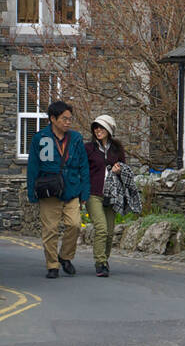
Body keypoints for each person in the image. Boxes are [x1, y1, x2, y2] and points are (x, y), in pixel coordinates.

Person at [26, 100, 89, 279]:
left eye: (70, 119)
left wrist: (85, 191)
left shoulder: (76, 138)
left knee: (74, 225)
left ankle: (65, 257)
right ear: (53, 119)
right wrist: (32, 192)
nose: (68, 122)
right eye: (64, 119)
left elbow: (84, 166)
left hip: (71, 189)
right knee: (50, 229)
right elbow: (32, 166)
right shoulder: (40, 138)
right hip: (49, 190)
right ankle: (52, 264)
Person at [85, 115, 125, 277]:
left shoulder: (117, 148)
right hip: (93, 194)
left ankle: (105, 261)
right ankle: (99, 263)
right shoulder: (88, 148)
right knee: (101, 228)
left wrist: (119, 169)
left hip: (112, 194)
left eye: (101, 127)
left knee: (109, 232)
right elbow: (83, 170)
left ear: (109, 129)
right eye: (96, 127)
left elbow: (125, 169)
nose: (98, 130)